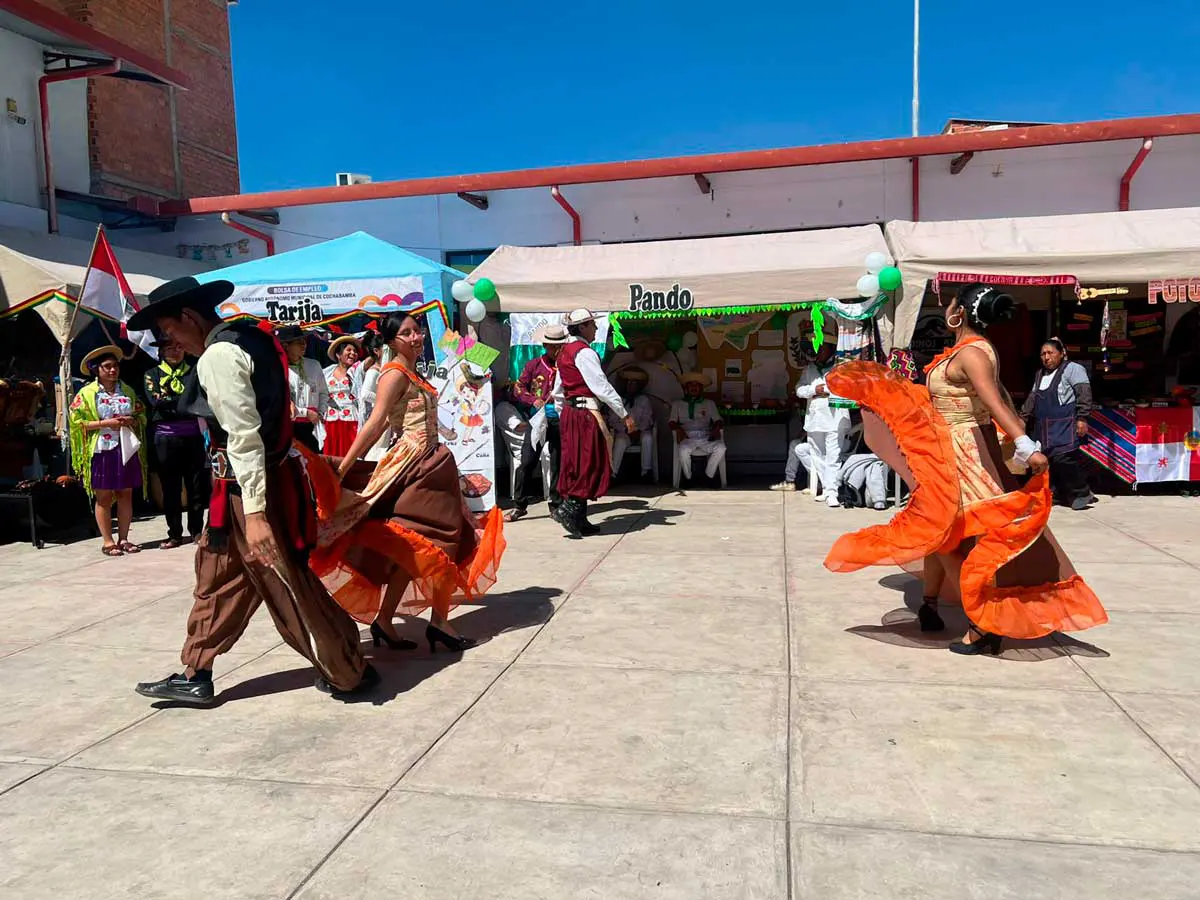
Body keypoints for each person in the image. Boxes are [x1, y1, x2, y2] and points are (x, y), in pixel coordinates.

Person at [823, 283, 1108, 655]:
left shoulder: (974, 353)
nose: (947, 310)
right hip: (944, 453)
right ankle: (930, 606)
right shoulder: (964, 350)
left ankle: (981, 624)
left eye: (951, 304)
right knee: (938, 532)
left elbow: (995, 402)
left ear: (961, 312)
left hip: (964, 457)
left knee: (942, 535)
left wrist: (1024, 444)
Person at [128, 276, 374, 706]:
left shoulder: (220, 355)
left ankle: (348, 670)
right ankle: (195, 671)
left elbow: (244, 436)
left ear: (188, 317)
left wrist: (257, 514)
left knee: (285, 584)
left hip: (249, 489)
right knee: (219, 576)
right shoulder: (247, 336)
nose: (172, 342)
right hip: (243, 486)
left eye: (169, 332)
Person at [298, 310, 506, 653]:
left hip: (433, 463)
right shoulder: (392, 373)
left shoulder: (412, 370)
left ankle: (386, 620)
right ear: (392, 340)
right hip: (414, 464)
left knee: (418, 547)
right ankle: (439, 622)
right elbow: (376, 422)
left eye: (418, 331)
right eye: (408, 333)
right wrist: (345, 467)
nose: (416, 337)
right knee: (439, 541)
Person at [551, 309, 635, 537]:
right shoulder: (584, 353)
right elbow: (601, 386)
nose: (596, 329)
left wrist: (563, 414)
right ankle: (568, 510)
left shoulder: (564, 352)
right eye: (592, 325)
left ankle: (579, 519)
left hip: (571, 413)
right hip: (584, 413)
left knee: (577, 461)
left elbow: (558, 391)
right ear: (582, 327)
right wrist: (624, 413)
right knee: (589, 462)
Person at [69, 345, 147, 557]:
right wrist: (105, 423)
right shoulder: (86, 394)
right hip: (102, 449)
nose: (113, 370)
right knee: (103, 496)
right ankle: (108, 540)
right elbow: (77, 423)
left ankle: (124, 538)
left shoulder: (127, 390)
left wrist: (132, 420)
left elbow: (141, 414)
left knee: (126, 494)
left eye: (115, 366)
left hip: (126, 447)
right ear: (97, 370)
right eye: (107, 367)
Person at [144, 334, 210, 548]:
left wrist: (174, 403)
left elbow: (201, 399)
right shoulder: (151, 374)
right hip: (166, 437)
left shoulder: (194, 372)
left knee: (196, 486)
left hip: (193, 435)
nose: (175, 351)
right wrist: (184, 403)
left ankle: (197, 531)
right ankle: (174, 533)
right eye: (170, 348)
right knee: (170, 487)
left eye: (179, 346)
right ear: (162, 351)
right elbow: (156, 401)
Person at [1021, 337, 1096, 511]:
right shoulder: (1040, 374)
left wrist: (1082, 418)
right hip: (1044, 426)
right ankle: (1057, 494)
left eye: (1050, 353)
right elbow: (1032, 399)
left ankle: (1081, 492)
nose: (1046, 357)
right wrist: (1022, 418)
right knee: (1049, 461)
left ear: (1061, 354)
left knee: (1064, 458)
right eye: (1043, 354)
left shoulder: (1073, 369)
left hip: (1064, 424)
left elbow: (1084, 393)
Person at [506, 324, 564, 523]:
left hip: (559, 420)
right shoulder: (534, 365)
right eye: (552, 346)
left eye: (560, 346)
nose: (556, 351)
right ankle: (519, 505)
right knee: (527, 461)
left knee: (558, 463)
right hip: (537, 420)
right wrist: (533, 400)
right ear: (545, 345)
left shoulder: (567, 366)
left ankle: (556, 505)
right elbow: (518, 388)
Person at [795, 338, 851, 507]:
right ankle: (827, 489)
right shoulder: (810, 369)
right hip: (815, 418)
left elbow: (846, 387)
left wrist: (826, 390)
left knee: (833, 456)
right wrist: (814, 390)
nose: (818, 351)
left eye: (822, 348)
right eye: (817, 348)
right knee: (817, 455)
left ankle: (833, 493)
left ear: (831, 350)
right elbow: (799, 390)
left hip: (835, 418)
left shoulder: (840, 367)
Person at [277, 325, 328, 453]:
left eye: (304, 341)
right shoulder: (279, 369)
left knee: (315, 462)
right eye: (298, 342)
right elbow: (281, 403)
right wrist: (305, 413)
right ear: (286, 346)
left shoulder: (313, 365)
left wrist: (320, 413)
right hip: (288, 429)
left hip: (312, 427)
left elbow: (323, 392)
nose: (303, 344)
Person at [669, 373, 726, 487]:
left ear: (701, 388)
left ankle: (708, 477)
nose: (693, 388)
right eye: (690, 385)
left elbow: (718, 420)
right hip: (687, 436)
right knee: (683, 450)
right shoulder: (677, 404)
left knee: (721, 447)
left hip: (705, 435)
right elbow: (672, 422)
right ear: (686, 388)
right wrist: (679, 430)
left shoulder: (709, 403)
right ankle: (688, 478)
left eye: (697, 385)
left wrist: (716, 428)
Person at [609, 366, 655, 482]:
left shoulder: (644, 399)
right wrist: (626, 430)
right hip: (624, 432)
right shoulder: (618, 400)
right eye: (628, 382)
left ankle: (646, 473)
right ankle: (613, 474)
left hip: (640, 432)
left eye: (634, 383)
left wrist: (637, 430)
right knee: (619, 441)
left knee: (648, 438)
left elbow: (647, 418)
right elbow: (612, 420)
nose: (631, 385)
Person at [322, 334, 363, 457]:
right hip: (331, 421)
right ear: (338, 355)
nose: (353, 353)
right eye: (349, 350)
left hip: (352, 420)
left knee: (351, 456)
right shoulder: (326, 373)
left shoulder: (358, 371)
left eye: (355, 351)